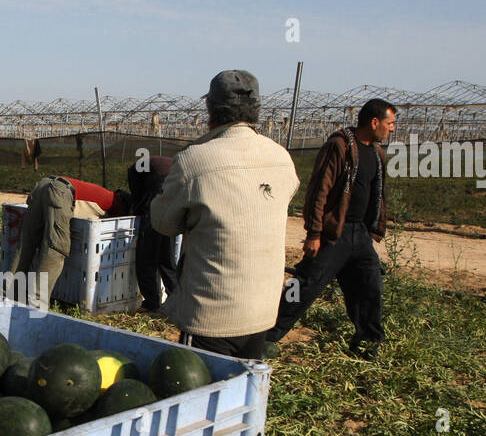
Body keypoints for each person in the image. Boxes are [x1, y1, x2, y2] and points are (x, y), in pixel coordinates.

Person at [149, 70, 299, 359]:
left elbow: (163, 223)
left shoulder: (195, 160)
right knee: (240, 391)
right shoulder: (281, 157)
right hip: (263, 311)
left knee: (200, 392)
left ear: (210, 110)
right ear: (256, 110)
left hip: (212, 315)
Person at [263, 98, 397, 359]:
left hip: (360, 235)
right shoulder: (340, 146)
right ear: (374, 122)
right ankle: (267, 334)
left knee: (370, 288)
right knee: (302, 285)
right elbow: (319, 190)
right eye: (390, 123)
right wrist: (314, 233)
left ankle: (368, 342)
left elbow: (377, 194)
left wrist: (374, 227)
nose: (392, 129)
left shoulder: (377, 155)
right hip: (333, 235)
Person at [5, 175, 130, 310]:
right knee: (55, 249)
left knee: (26, 244)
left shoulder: (105, 194)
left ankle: (8, 295)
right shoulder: (116, 204)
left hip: (43, 184)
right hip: (60, 192)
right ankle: (36, 304)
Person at [126, 154, 178, 312]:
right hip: (177, 193)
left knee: (146, 256)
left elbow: (138, 196)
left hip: (160, 192)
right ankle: (176, 302)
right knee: (166, 256)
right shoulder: (161, 163)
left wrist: (137, 207)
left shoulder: (135, 170)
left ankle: (151, 304)